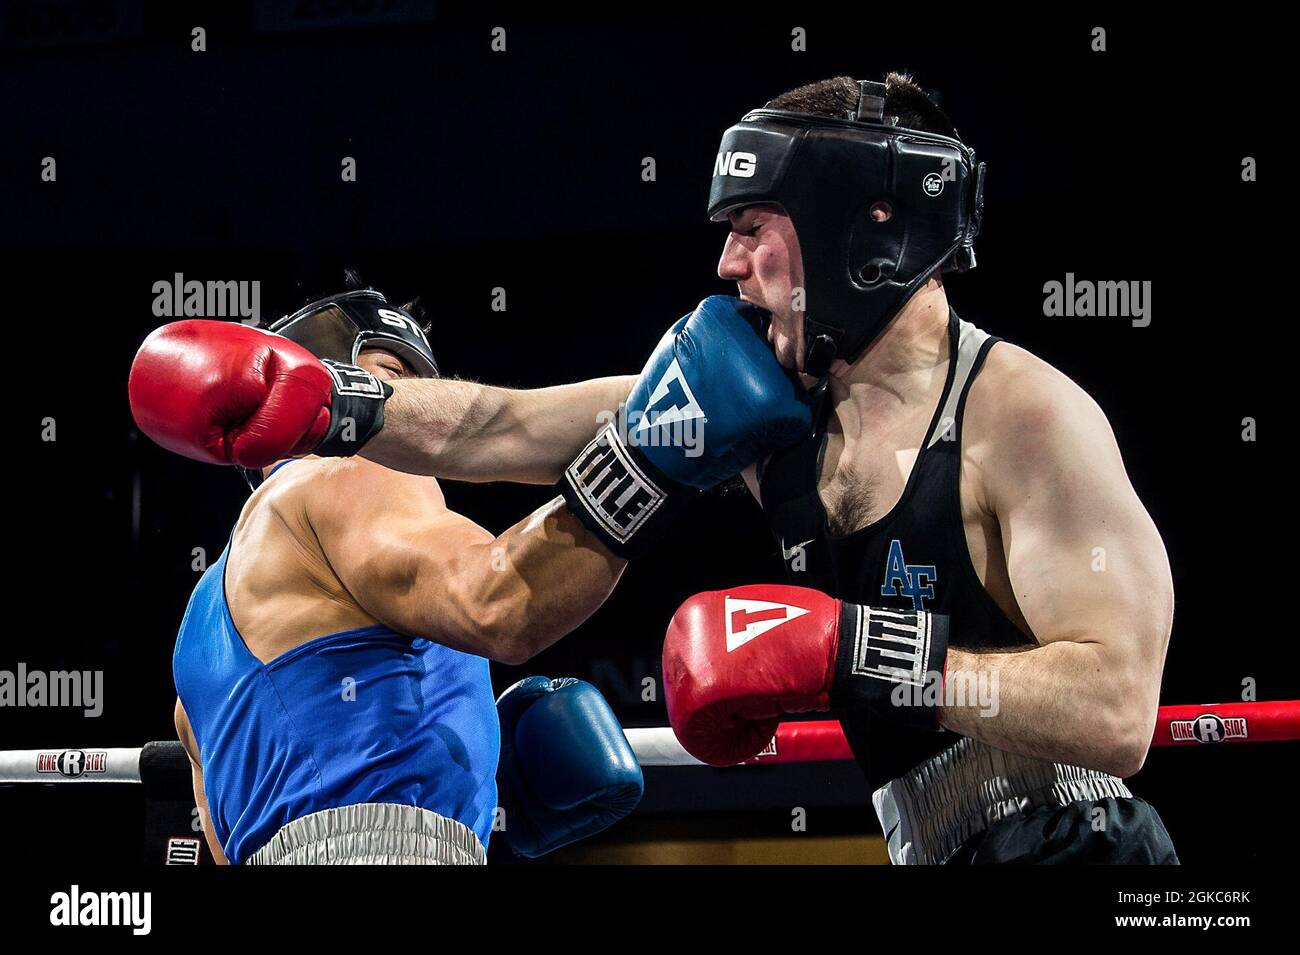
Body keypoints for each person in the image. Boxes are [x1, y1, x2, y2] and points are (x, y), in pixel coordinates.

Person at [662, 74, 1178, 864]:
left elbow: (1117, 712)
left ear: (855, 224)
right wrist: (393, 400)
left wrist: (854, 650)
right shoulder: (778, 422)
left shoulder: (1025, 411)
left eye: (751, 223)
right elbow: (510, 429)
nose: (728, 262)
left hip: (1072, 840)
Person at [131, 286, 811, 864]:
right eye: (389, 376)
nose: (407, 408)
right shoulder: (341, 471)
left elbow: (246, 838)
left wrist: (472, 788)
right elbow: (500, 602)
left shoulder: (199, 635)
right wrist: (653, 465)